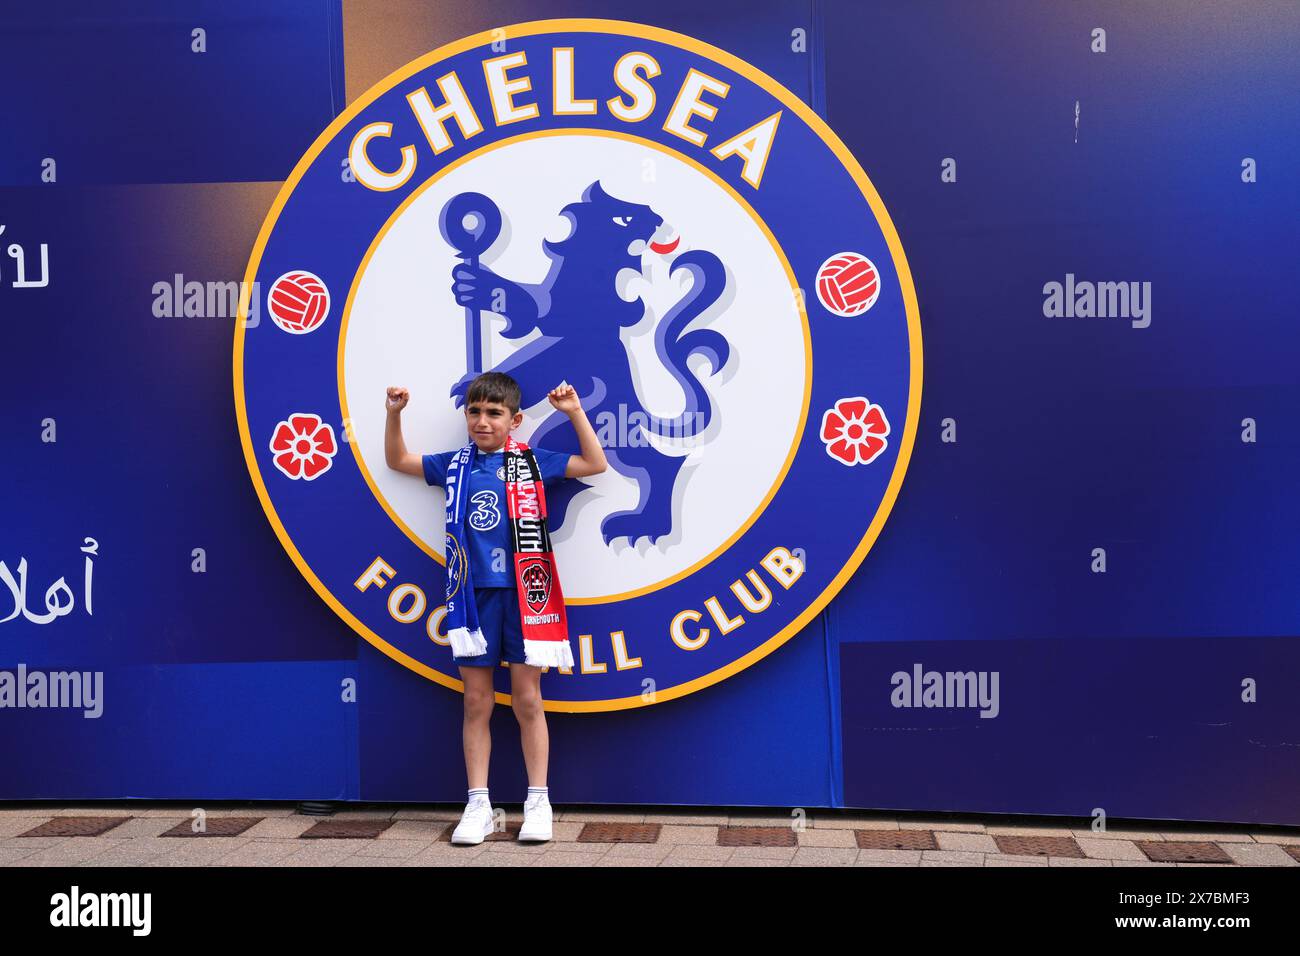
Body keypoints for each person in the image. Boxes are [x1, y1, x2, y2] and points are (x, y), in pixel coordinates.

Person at [382, 372, 607, 844]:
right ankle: (479, 804)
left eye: (493, 413)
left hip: (528, 597)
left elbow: (594, 463)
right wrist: (394, 414)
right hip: (471, 597)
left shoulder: (532, 461)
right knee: (477, 703)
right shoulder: (454, 464)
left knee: (528, 699)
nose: (482, 421)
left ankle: (539, 802)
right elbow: (398, 459)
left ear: (515, 419)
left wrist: (573, 413)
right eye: (474, 412)